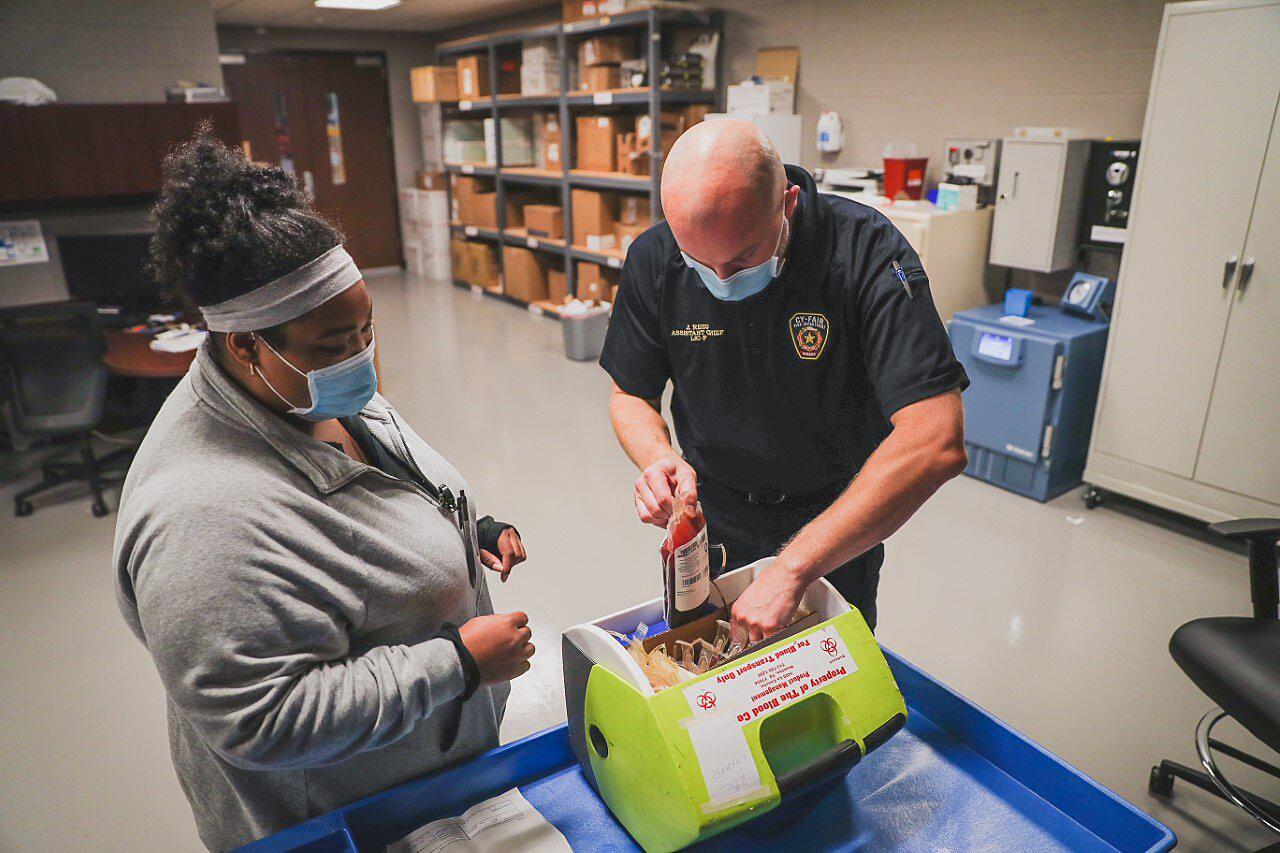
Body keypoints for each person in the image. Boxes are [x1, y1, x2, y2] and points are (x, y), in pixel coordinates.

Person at [113, 130, 533, 850]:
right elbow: (263, 717)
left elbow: (385, 476)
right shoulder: (199, 516)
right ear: (246, 344)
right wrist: (456, 663)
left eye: (366, 328)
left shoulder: (302, 386)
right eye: (337, 343)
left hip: (434, 770)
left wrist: (470, 526)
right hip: (353, 817)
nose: (361, 357)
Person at [601, 119, 969, 644]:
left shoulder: (863, 251)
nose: (722, 280)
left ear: (788, 203)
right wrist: (658, 457)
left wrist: (796, 567)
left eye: (744, 257)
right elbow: (631, 394)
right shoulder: (655, 256)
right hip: (713, 515)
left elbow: (936, 439)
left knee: (822, 687)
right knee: (713, 675)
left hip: (835, 523)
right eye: (699, 263)